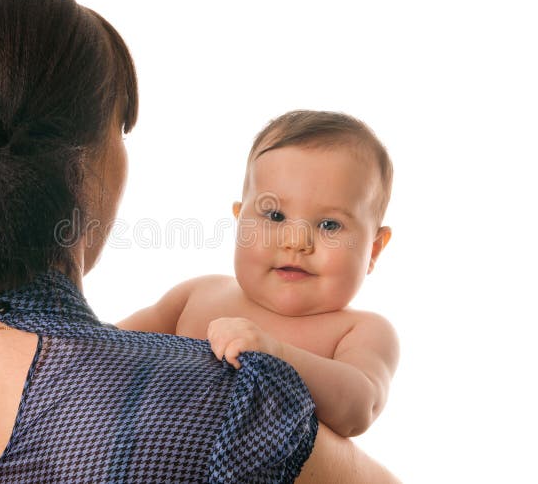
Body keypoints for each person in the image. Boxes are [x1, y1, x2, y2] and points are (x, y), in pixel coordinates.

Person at [0, 0, 399, 483]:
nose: (296, 239)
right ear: (85, 161)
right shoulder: (228, 409)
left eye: (328, 224)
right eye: (119, 132)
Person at [118, 110, 399, 439]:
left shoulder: (359, 331)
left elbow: (360, 406)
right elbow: (103, 350)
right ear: (240, 222)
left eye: (329, 225)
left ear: (374, 249)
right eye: (276, 215)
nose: (296, 242)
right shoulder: (196, 296)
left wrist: (276, 357)